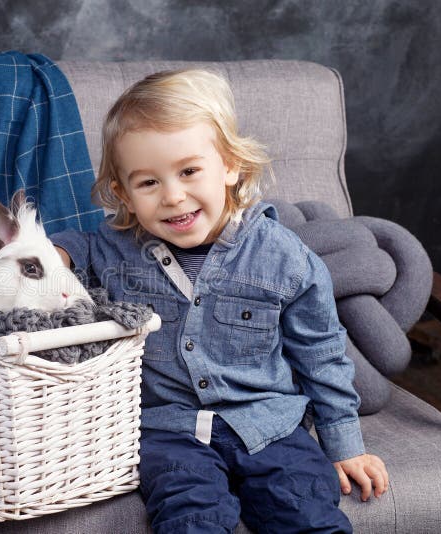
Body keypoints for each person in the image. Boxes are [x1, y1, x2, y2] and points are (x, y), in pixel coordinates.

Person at [49, 69, 389, 533]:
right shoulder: (117, 247)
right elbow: (83, 244)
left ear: (230, 166)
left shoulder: (283, 257)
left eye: (189, 171)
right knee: (190, 515)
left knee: (307, 509)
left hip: (269, 424)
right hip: (170, 431)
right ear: (124, 194)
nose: (172, 196)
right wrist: (52, 254)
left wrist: (345, 444)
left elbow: (322, 355)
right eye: (147, 183)